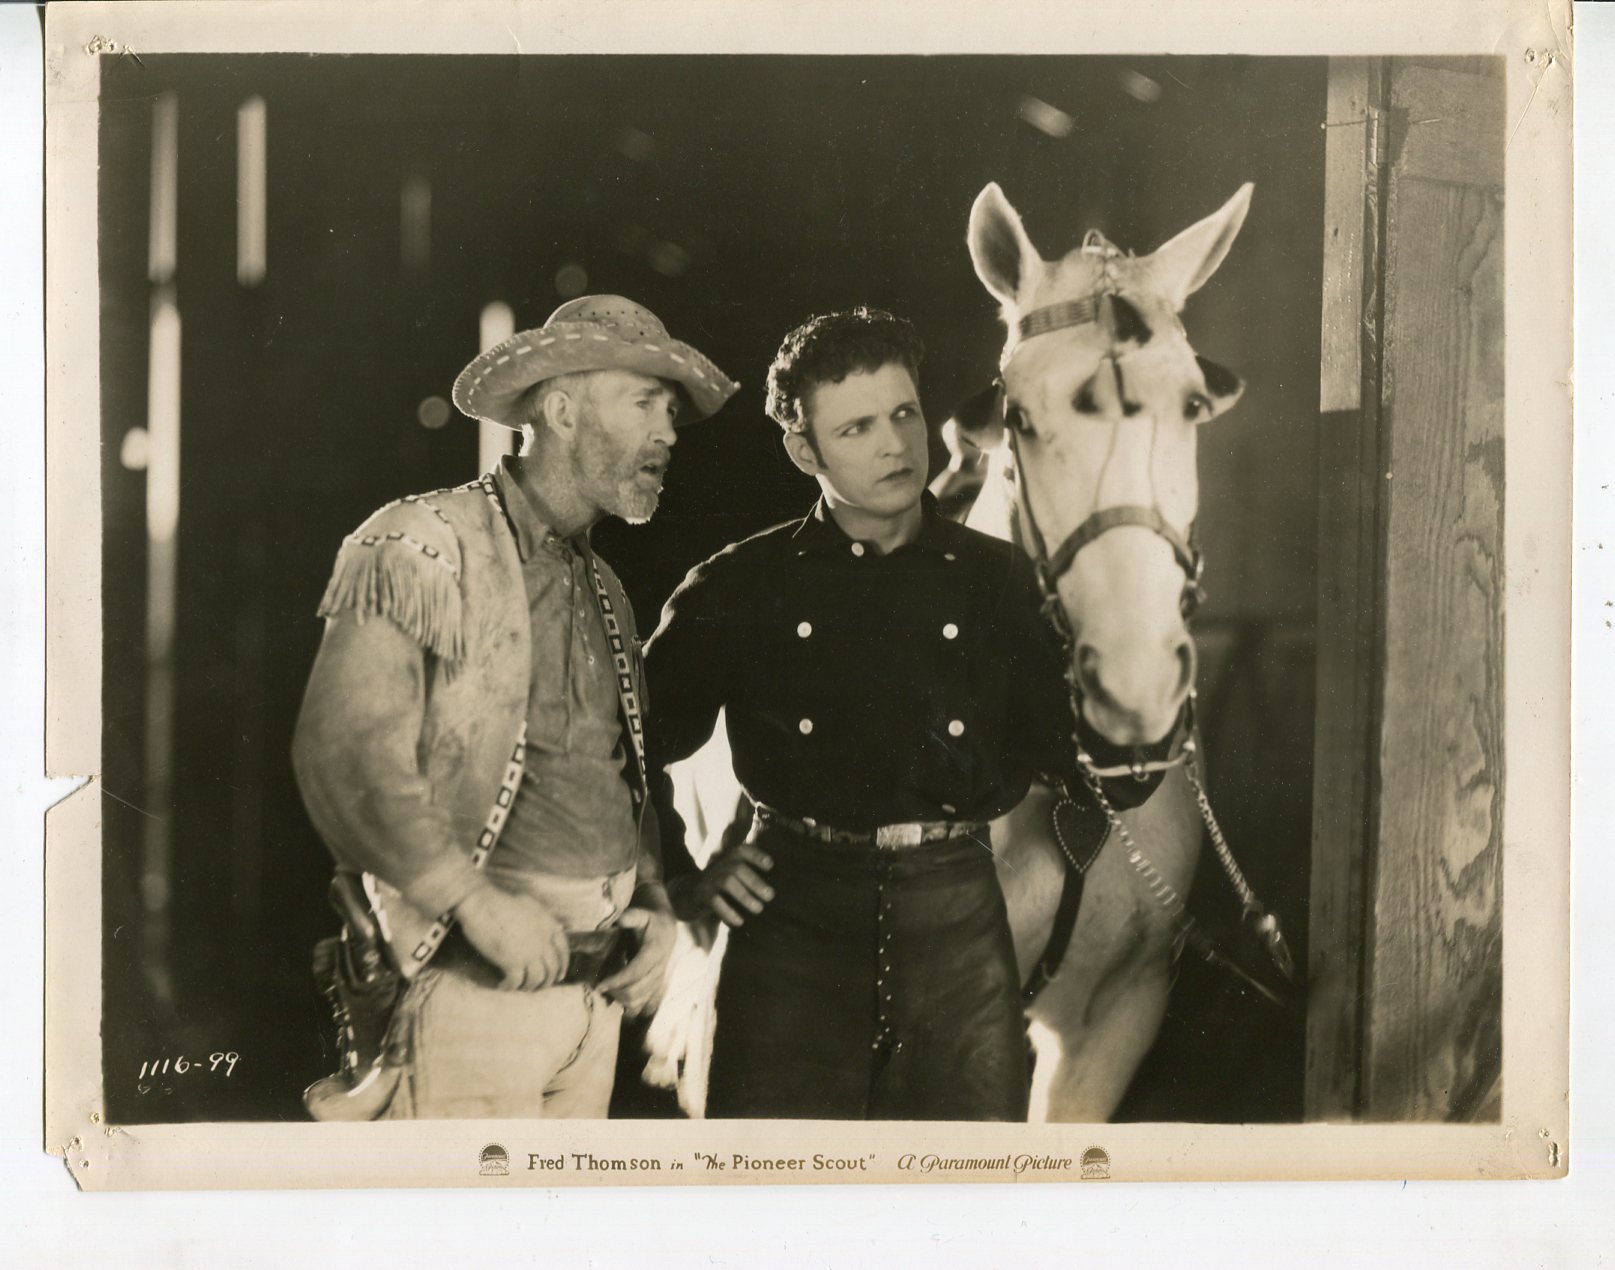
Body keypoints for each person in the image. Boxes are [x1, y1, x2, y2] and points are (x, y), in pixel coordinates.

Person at [643, 307, 1164, 1121]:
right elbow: (627, 744)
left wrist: (1137, 705)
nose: (894, 445)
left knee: (962, 1209)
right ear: (802, 450)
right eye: (855, 428)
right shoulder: (740, 584)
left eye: (904, 413)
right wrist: (681, 874)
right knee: (770, 1209)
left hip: (956, 929)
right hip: (788, 938)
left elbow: (1085, 769)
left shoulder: (1001, 583)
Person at [293, 294, 738, 1119]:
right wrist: (471, 900)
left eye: (671, 410)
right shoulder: (421, 544)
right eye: (644, 402)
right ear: (562, 410)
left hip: (593, 1004)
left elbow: (614, 776)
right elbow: (344, 753)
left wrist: (655, 904)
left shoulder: (604, 588)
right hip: (467, 992)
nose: (668, 433)